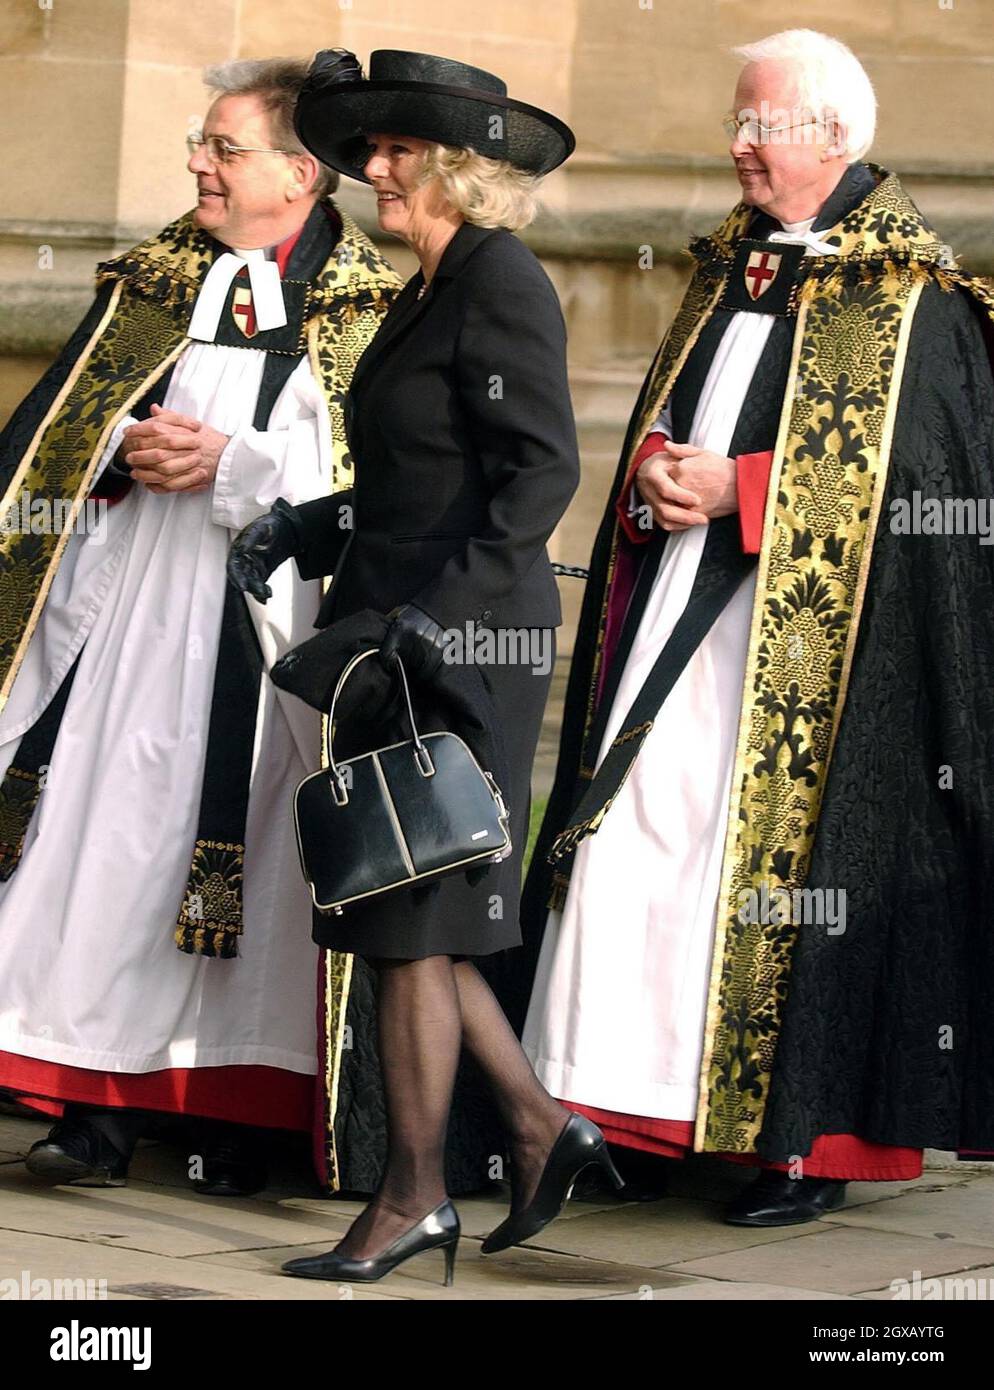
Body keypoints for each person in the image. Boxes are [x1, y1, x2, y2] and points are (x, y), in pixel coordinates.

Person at [519, 27, 994, 1227]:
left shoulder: (912, 297)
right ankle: (629, 1110)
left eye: (761, 126)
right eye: (737, 122)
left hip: (825, 666)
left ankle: (801, 1145)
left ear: (836, 136)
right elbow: (671, 419)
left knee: (773, 880)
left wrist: (748, 491)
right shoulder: (729, 265)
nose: (738, 145)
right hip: (679, 613)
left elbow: (925, 491)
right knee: (634, 845)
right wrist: (658, 478)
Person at [227, 48, 617, 1285]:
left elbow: (537, 476)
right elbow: (418, 477)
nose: (372, 171)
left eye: (394, 152)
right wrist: (314, 521)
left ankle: (410, 1196)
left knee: (408, 921)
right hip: (391, 635)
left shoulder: (501, 281)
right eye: (372, 150)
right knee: (425, 913)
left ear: (453, 166)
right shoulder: (425, 286)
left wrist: (443, 617)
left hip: (463, 647)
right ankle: (541, 1130)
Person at [0, 57, 400, 1195]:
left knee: (262, 866)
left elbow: (376, 481)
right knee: (113, 844)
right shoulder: (153, 283)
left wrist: (238, 462)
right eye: (201, 143)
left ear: (302, 172)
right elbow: (54, 441)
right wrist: (119, 457)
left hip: (271, 638)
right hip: (130, 623)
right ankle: (94, 1096)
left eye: (225, 149)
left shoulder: (367, 311)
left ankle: (248, 1108)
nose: (196, 165)